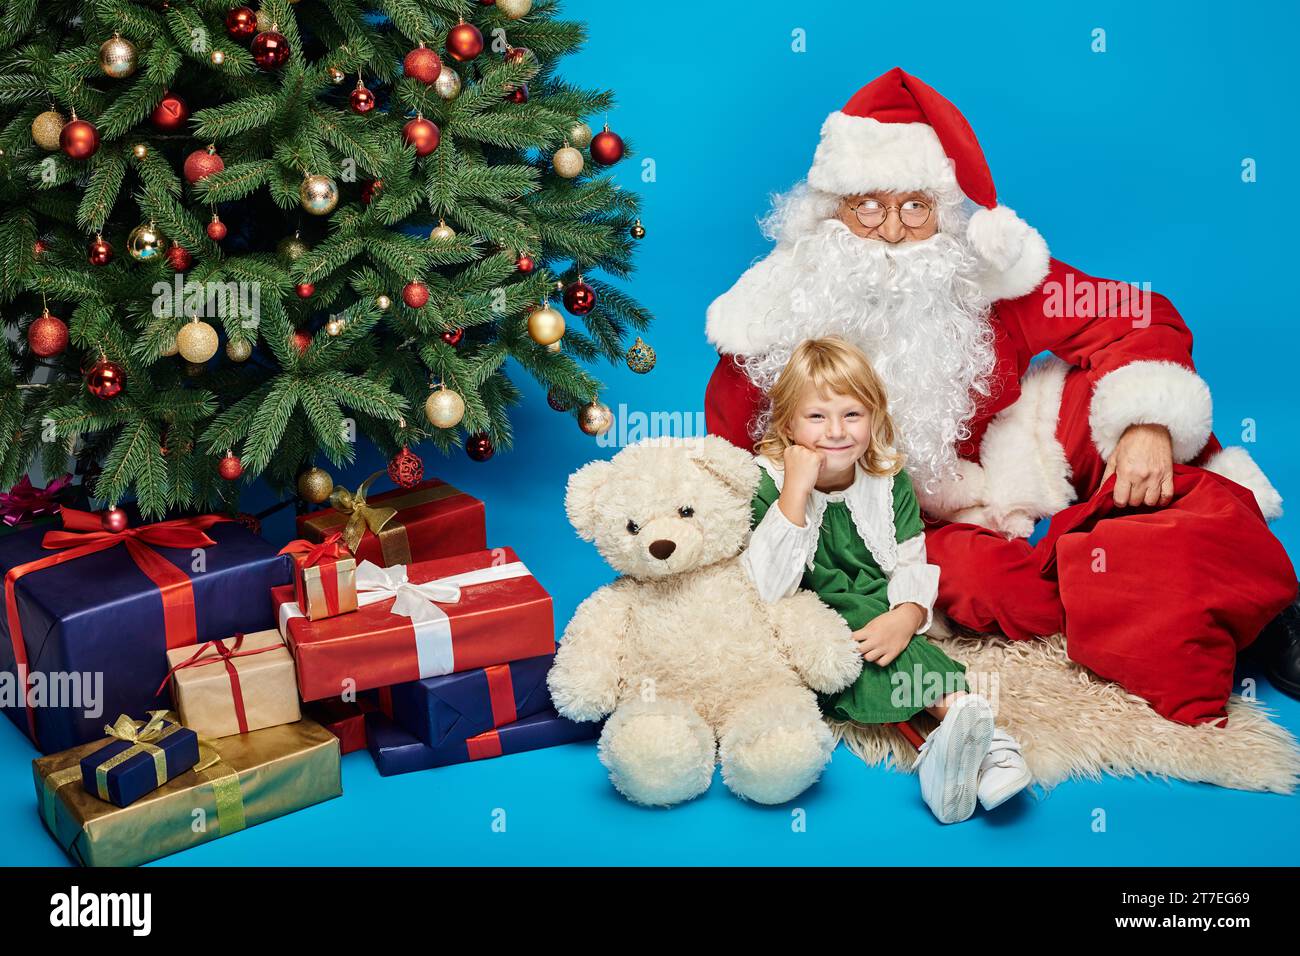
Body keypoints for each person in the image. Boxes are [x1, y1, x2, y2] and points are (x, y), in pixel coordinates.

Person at [705, 67, 1299, 726]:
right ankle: (1135, 583)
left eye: (915, 206)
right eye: (869, 206)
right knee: (992, 591)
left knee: (1125, 405)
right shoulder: (774, 313)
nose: (895, 231)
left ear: (944, 211)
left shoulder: (982, 279)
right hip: (904, 520)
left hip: (995, 454)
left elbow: (1132, 313)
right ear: (830, 213)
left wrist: (1147, 426)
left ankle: (1264, 599)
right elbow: (730, 459)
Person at [742, 337, 1032, 823]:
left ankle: (961, 748)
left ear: (874, 418)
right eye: (816, 417)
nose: (836, 432)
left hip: (876, 603)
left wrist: (909, 614)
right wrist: (796, 489)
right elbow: (766, 587)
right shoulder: (767, 481)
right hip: (806, 612)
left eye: (852, 415)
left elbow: (909, 560)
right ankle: (976, 733)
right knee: (858, 631)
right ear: (787, 422)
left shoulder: (886, 477)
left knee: (889, 639)